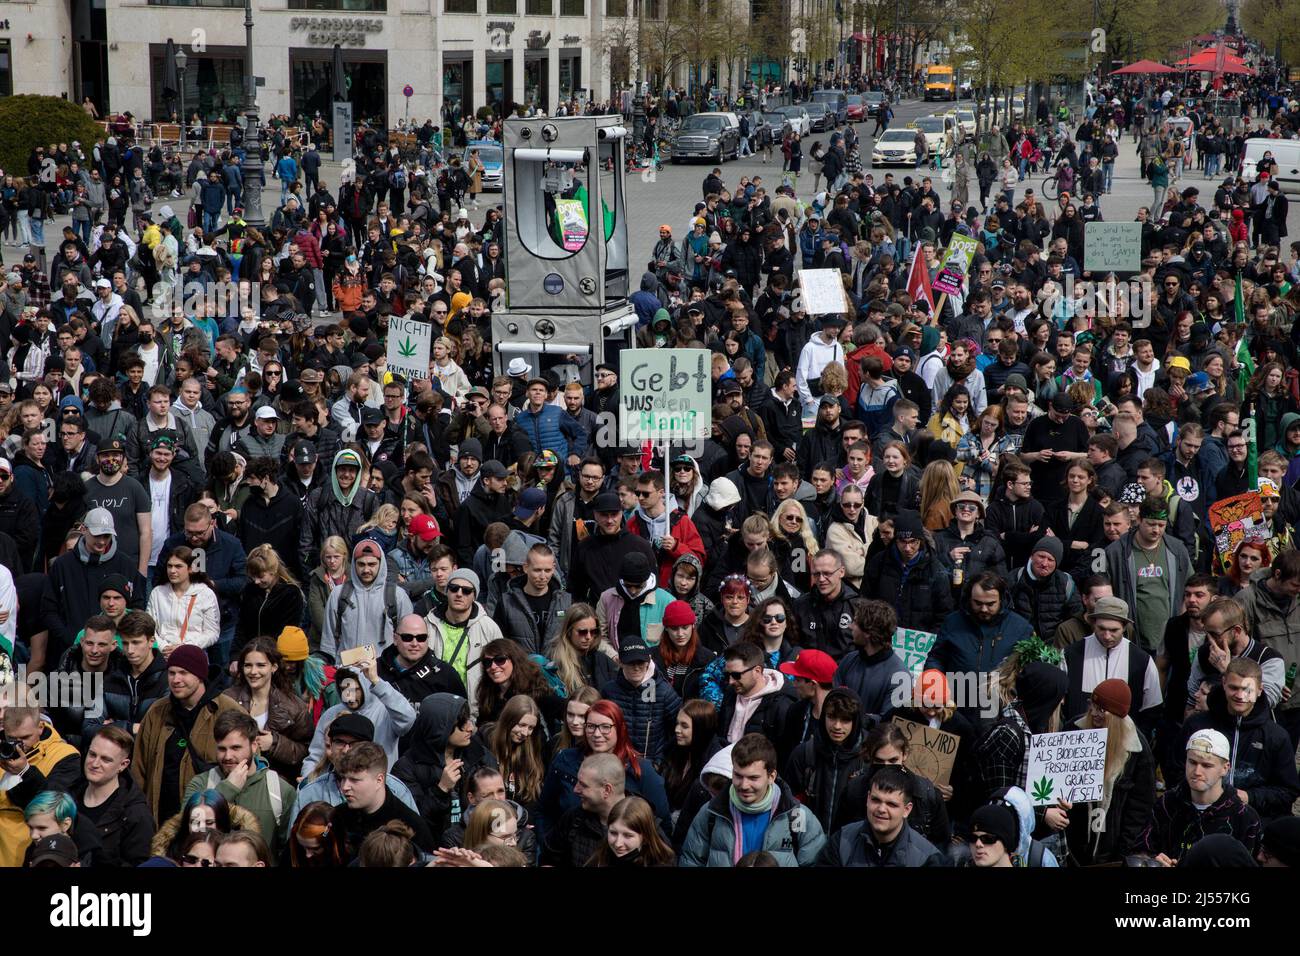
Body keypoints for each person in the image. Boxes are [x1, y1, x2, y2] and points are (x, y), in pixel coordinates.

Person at [131, 645, 245, 824]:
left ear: (199, 675)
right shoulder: (157, 711)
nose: (176, 679)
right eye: (171, 673)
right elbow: (139, 769)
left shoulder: (228, 711)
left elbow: (247, 767)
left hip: (209, 822)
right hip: (160, 820)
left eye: (183, 673)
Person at [679, 732, 826, 867]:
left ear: (771, 777)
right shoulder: (711, 813)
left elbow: (814, 862)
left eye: (753, 778)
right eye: (738, 776)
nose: (744, 785)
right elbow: (691, 860)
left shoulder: (795, 815)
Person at [1183, 658, 1300, 823]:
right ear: (1223, 683)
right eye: (1233, 688)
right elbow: (1175, 769)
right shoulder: (1196, 725)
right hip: (1198, 818)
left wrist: (1248, 797)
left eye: (1247, 690)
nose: (1240, 695)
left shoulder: (1276, 737)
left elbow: (1288, 790)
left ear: (1260, 690)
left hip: (1255, 822)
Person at [1062, 679, 1156, 866]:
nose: (1094, 714)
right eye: (1093, 706)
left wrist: (1123, 852)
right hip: (1072, 842)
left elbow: (1140, 808)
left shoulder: (1138, 750)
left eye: (1102, 710)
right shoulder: (1074, 730)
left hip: (1112, 850)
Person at [1140, 728, 1262, 865]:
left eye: (1206, 765)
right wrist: (1153, 860)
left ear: (1225, 768)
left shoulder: (1244, 817)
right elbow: (1141, 851)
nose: (1197, 771)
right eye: (1192, 762)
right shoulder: (1166, 805)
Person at [1103, 494, 1192, 657]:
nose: (1156, 530)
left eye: (1161, 525)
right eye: (1151, 524)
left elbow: (1190, 587)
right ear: (1138, 520)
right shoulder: (1117, 551)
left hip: (1169, 640)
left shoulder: (1177, 549)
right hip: (1130, 638)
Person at [0, 706, 83, 868]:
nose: (18, 745)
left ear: (40, 727)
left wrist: (25, 771)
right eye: (11, 738)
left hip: (30, 842)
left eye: (25, 737)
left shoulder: (65, 755)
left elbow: (55, 802)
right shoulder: (3, 749)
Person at [816, 765, 947, 867]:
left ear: (907, 810)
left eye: (891, 804)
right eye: (876, 800)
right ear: (867, 799)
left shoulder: (928, 859)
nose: (881, 809)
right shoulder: (841, 841)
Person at [223, 638, 313, 781]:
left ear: (274, 667)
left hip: (275, 782)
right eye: (248, 665)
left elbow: (307, 751)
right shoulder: (227, 700)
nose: (253, 671)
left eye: (261, 665)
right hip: (231, 778)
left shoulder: (295, 707)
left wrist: (275, 743)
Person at [1236, 549, 1300, 751]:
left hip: (1297, 698)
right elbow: (1240, 651)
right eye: (1295, 584)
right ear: (1278, 574)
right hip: (1268, 699)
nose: (1298, 590)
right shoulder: (1248, 600)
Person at [331, 742, 436, 863]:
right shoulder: (337, 817)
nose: (345, 787)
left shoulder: (412, 826)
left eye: (354, 780)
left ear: (379, 780)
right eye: (343, 778)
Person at [71, 724, 155, 867]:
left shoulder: (136, 815)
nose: (95, 763)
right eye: (92, 754)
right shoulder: (69, 796)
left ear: (123, 765)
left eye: (106, 759)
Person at [860, 510, 953, 633]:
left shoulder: (936, 570)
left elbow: (943, 614)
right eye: (902, 541)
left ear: (920, 540)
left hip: (918, 644)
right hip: (881, 636)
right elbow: (865, 600)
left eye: (913, 541)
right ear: (896, 539)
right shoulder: (879, 562)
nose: (907, 548)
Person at [540, 752, 626, 868]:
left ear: (607, 790)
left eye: (583, 785)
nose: (575, 789)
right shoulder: (574, 819)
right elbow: (549, 858)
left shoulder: (641, 825)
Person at [832, 599, 909, 720]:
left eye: (856, 623)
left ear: (868, 632)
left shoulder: (900, 676)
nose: (851, 626)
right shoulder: (848, 660)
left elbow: (890, 721)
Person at [1007, 536, 1082, 647]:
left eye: (1050, 559)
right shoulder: (1014, 578)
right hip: (1019, 644)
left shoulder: (1066, 583)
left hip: (1054, 646)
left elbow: (1076, 616)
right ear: (1032, 556)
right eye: (1041, 556)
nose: (1044, 563)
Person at [586, 794, 677, 867]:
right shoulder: (601, 857)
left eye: (628, 835)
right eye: (613, 833)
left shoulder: (662, 863)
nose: (618, 843)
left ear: (645, 837)